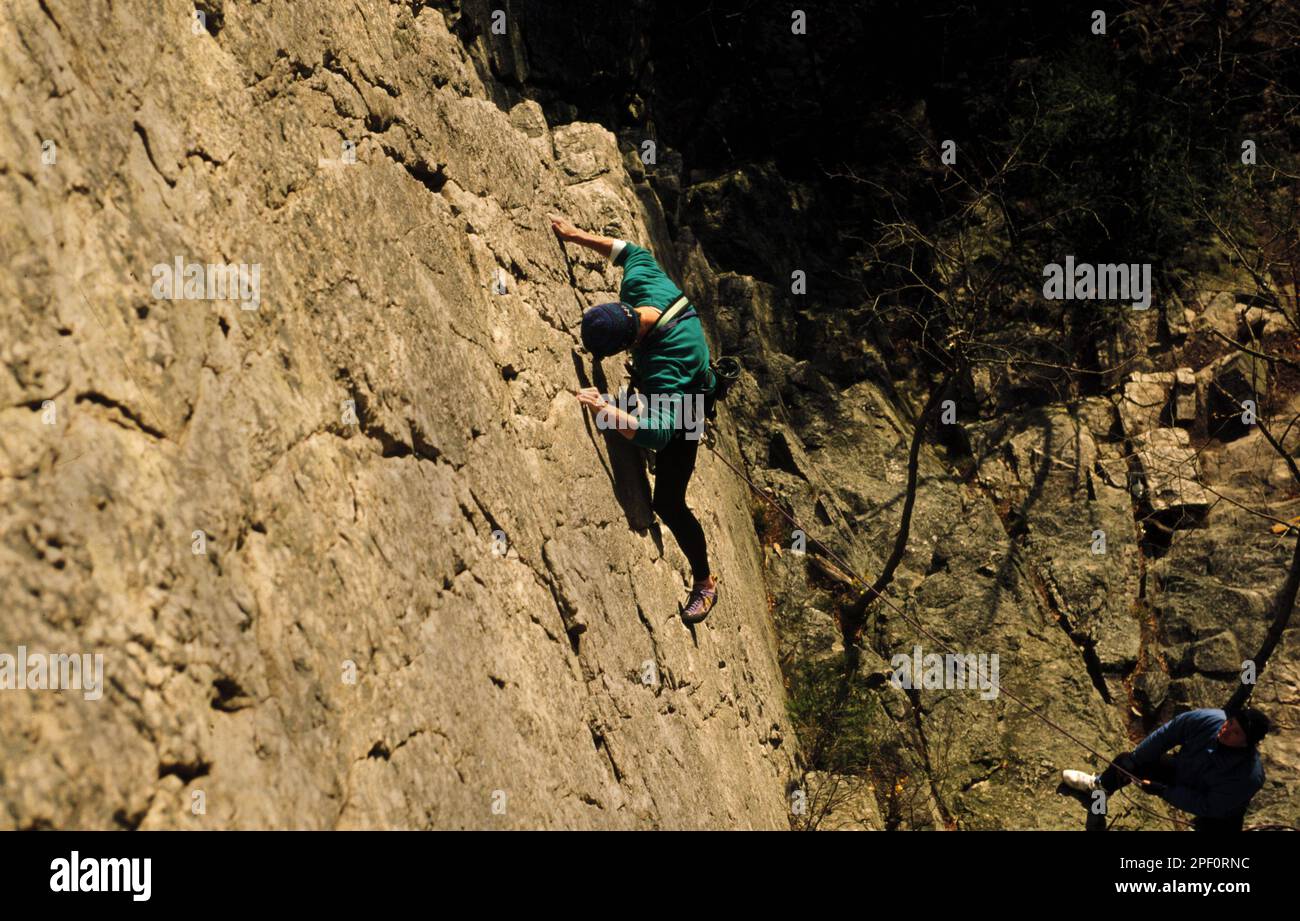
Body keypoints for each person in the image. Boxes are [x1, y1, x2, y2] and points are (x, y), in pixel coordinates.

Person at [551, 216, 719, 624]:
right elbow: (629, 251)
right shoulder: (640, 284)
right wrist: (575, 235)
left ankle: (705, 582)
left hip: (688, 407)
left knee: (667, 501)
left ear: (632, 341)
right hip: (666, 384)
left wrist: (602, 410)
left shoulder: (667, 363)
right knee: (640, 408)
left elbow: (659, 434)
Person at [1062, 706, 1269, 831]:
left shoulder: (1248, 776)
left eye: (1235, 733)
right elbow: (1169, 734)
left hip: (1219, 813)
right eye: (1230, 723)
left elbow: (1209, 805)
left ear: (1246, 744)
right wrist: (1136, 760)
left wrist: (1164, 792)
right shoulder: (1211, 720)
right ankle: (1099, 788)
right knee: (1125, 762)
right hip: (1182, 772)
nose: (1225, 730)